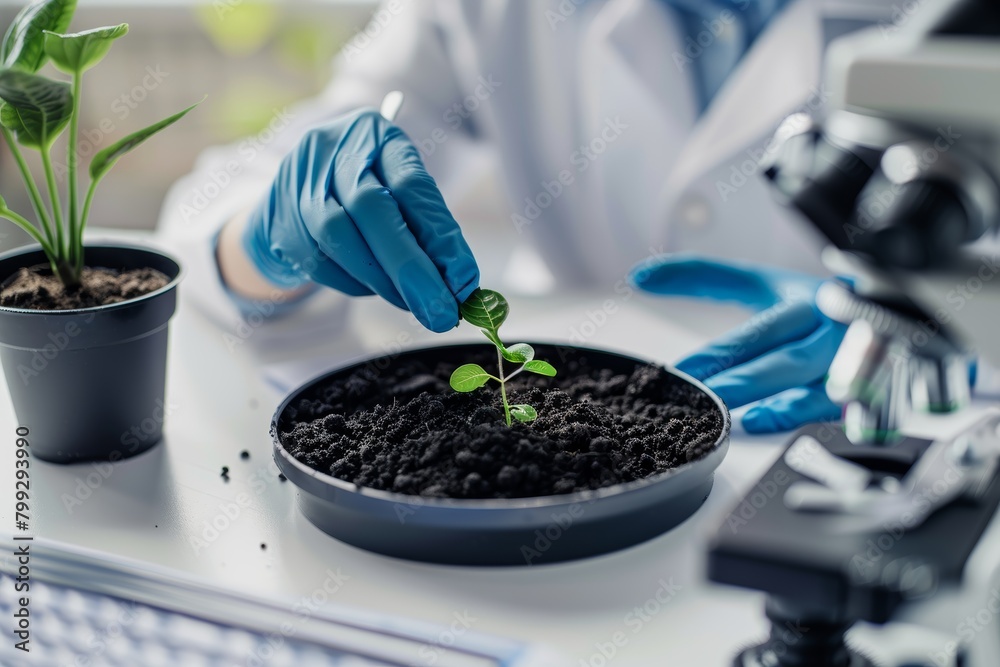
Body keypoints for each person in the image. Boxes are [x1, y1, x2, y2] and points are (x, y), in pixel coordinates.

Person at [158, 0, 901, 433]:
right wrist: (266, 240)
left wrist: (926, 325)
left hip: (858, 443)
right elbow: (228, 201)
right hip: (580, 448)